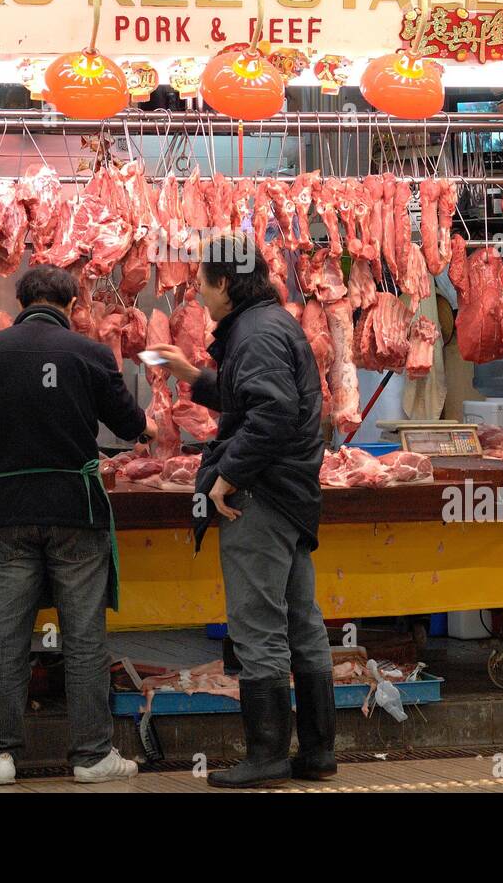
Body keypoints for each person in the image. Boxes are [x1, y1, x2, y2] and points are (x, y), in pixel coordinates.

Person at [0, 264, 155, 786]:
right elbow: (132, 427)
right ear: (70, 306)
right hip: (75, 511)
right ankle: (92, 756)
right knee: (85, 637)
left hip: (10, 510)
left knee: (7, 636)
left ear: (22, 302)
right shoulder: (89, 353)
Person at [153, 233, 336, 788]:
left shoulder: (255, 333)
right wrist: (190, 374)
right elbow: (253, 398)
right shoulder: (270, 324)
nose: (199, 294)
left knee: (258, 630)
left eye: (202, 283)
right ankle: (318, 754)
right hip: (291, 496)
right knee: (302, 625)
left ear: (224, 283)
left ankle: (266, 757)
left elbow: (272, 414)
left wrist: (226, 478)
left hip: (261, 500)